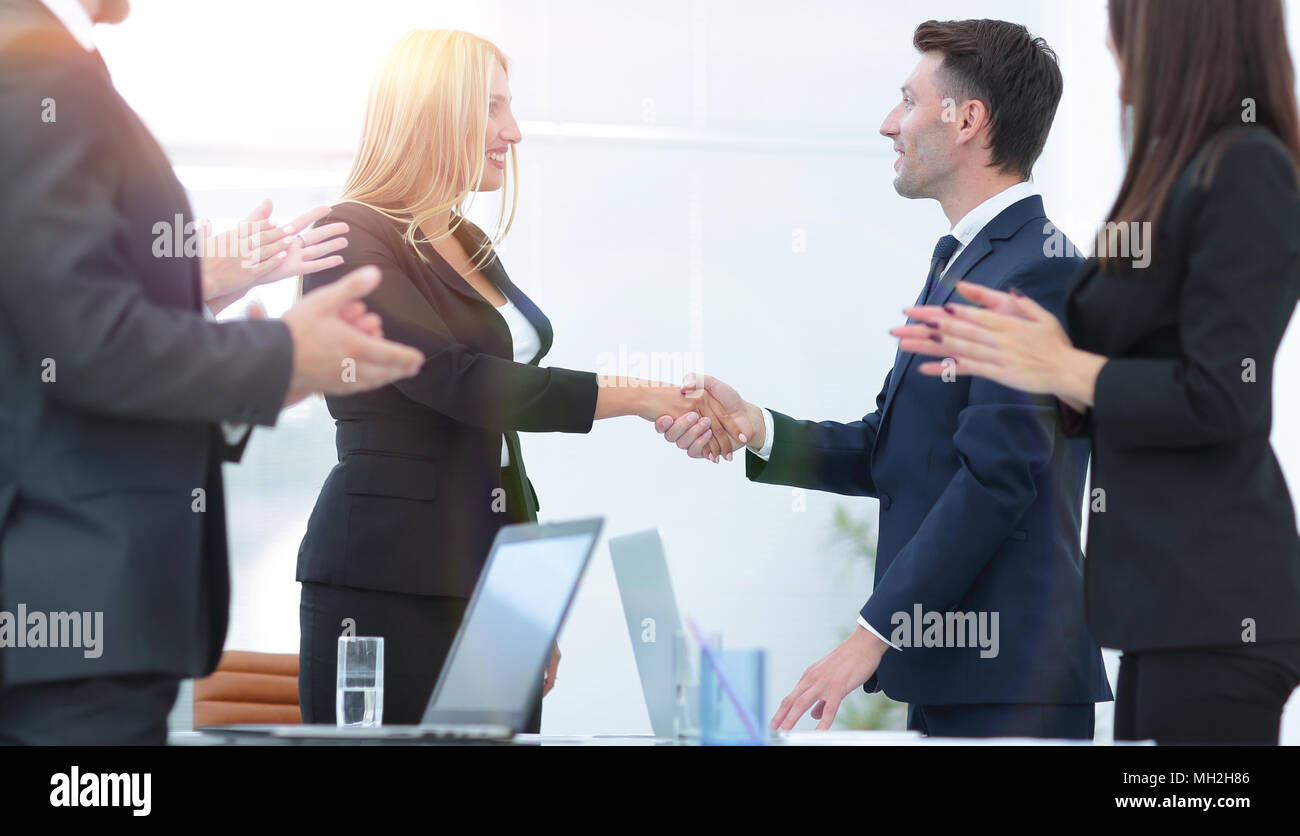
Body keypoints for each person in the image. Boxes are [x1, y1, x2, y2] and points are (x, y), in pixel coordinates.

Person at [658, 19, 1112, 738]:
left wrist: (869, 636)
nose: (887, 124)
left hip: (1012, 685)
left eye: (907, 100)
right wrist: (758, 427)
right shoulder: (967, 260)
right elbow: (898, 452)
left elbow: (997, 477)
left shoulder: (1036, 269)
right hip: (957, 683)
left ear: (967, 120)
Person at [0, 0, 425, 745]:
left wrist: (257, 370)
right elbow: (80, 341)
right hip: (73, 612)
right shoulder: (39, 73)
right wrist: (279, 355)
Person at [295, 29, 731, 730]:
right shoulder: (351, 236)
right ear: (434, 112)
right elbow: (456, 381)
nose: (514, 132)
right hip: (386, 578)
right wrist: (643, 396)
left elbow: (498, 444)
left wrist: (528, 597)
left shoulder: (463, 239)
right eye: (493, 108)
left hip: (495, 581)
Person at [897, 0, 1300, 745]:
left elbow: (1221, 396)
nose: (1113, 45)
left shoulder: (1247, 168)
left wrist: (1063, 364)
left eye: (1125, 25)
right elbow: (1131, 374)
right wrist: (1031, 363)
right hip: (1160, 611)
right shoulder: (1174, 172)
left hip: (1217, 603)